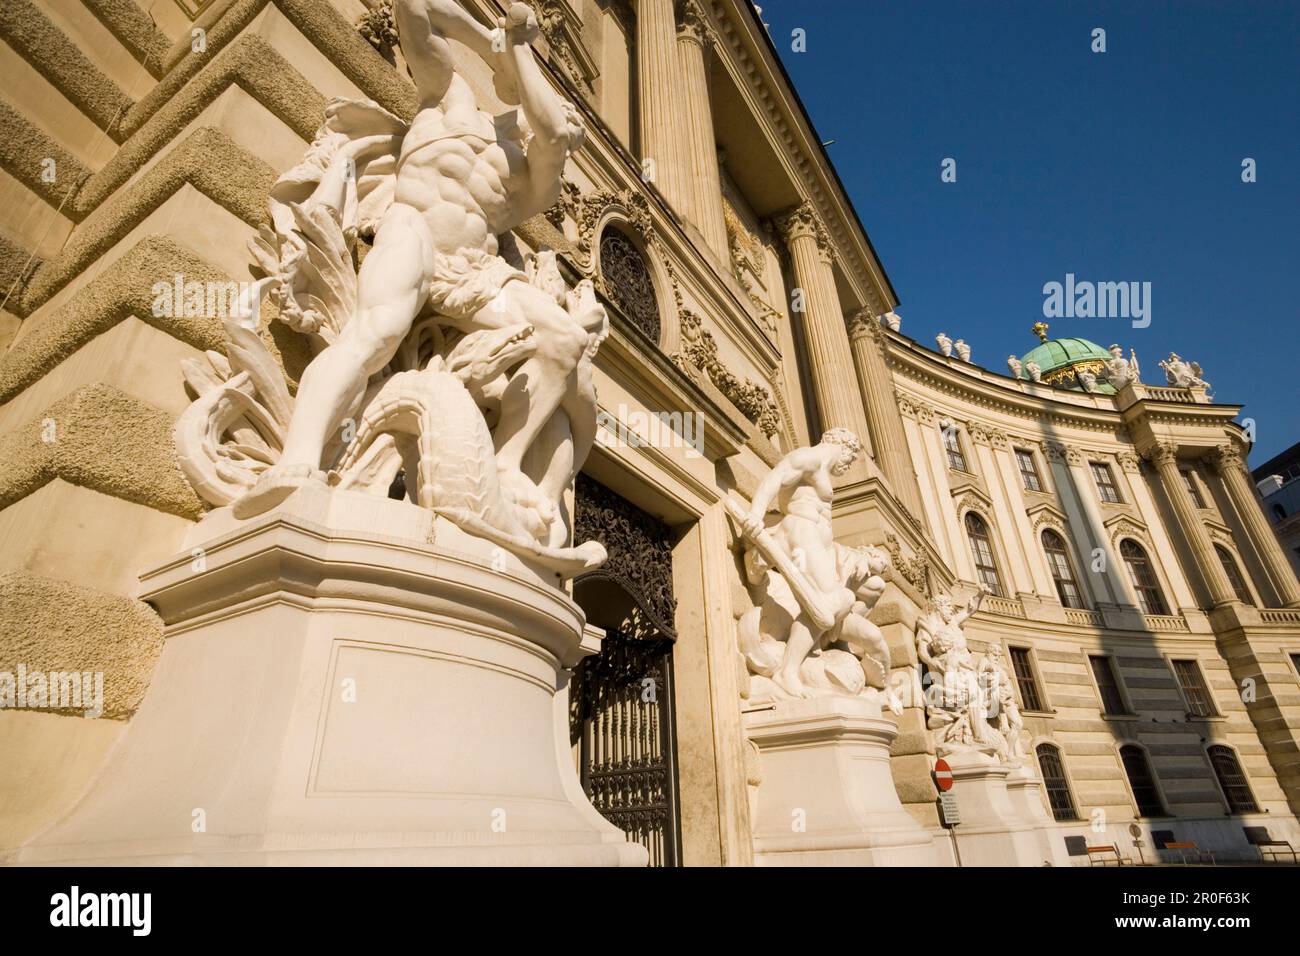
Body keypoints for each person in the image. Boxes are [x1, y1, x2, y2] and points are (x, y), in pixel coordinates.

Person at [234, 1, 596, 525]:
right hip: (415, 230)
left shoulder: (535, 179)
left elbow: (556, 137)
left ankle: (506, 466)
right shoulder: (454, 103)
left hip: (478, 267)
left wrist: (519, 53)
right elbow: (415, 8)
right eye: (570, 114)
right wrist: (489, 45)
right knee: (375, 334)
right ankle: (298, 459)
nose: (570, 129)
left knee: (564, 340)